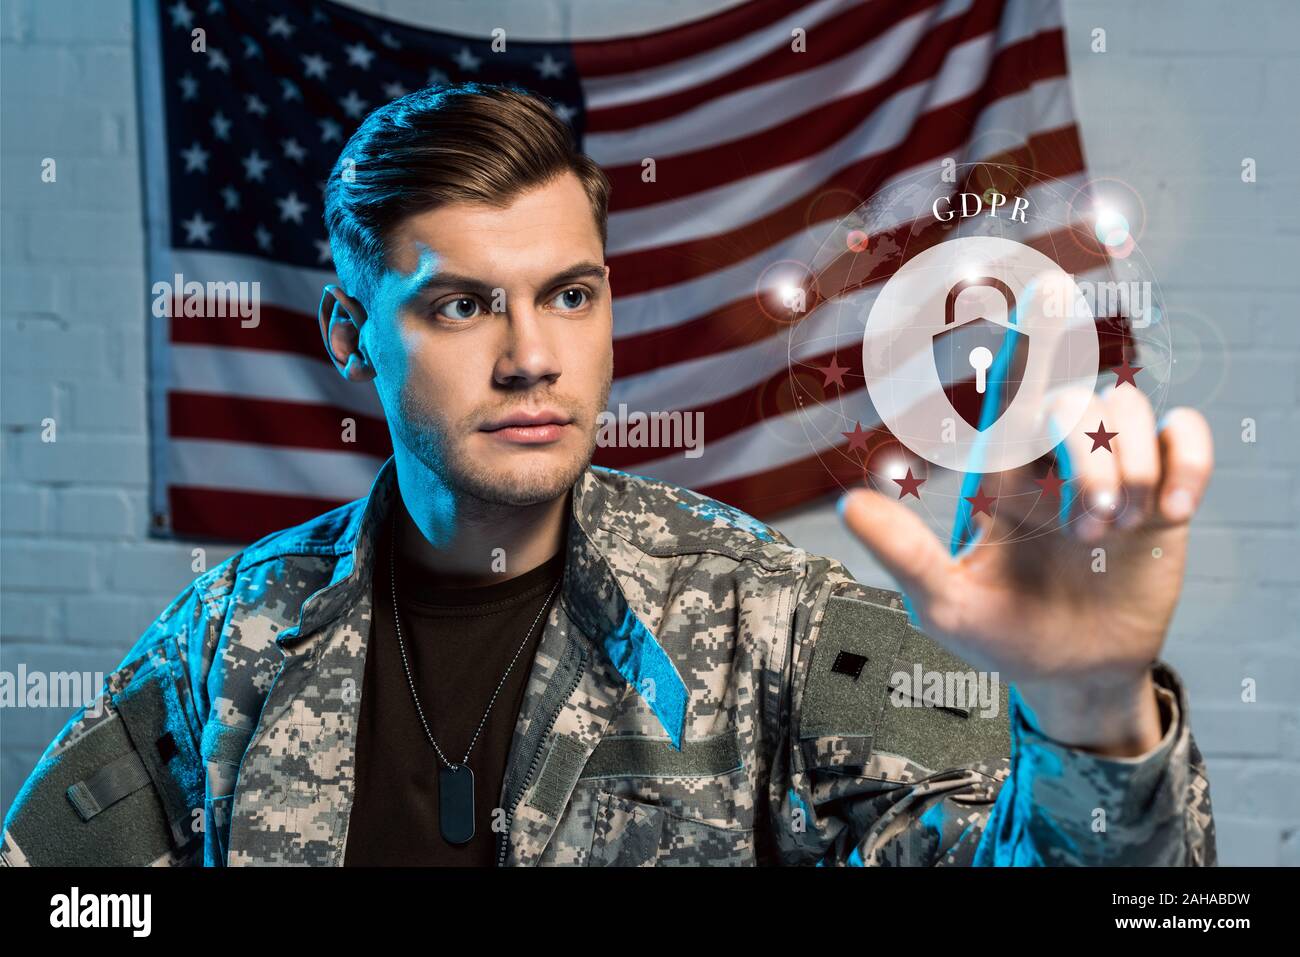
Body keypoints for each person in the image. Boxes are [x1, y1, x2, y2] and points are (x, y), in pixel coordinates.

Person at [2, 82, 1216, 867]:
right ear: (345, 329)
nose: (533, 358)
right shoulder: (228, 640)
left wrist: (1090, 717)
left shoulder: (772, 625)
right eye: (462, 305)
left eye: (569, 296)